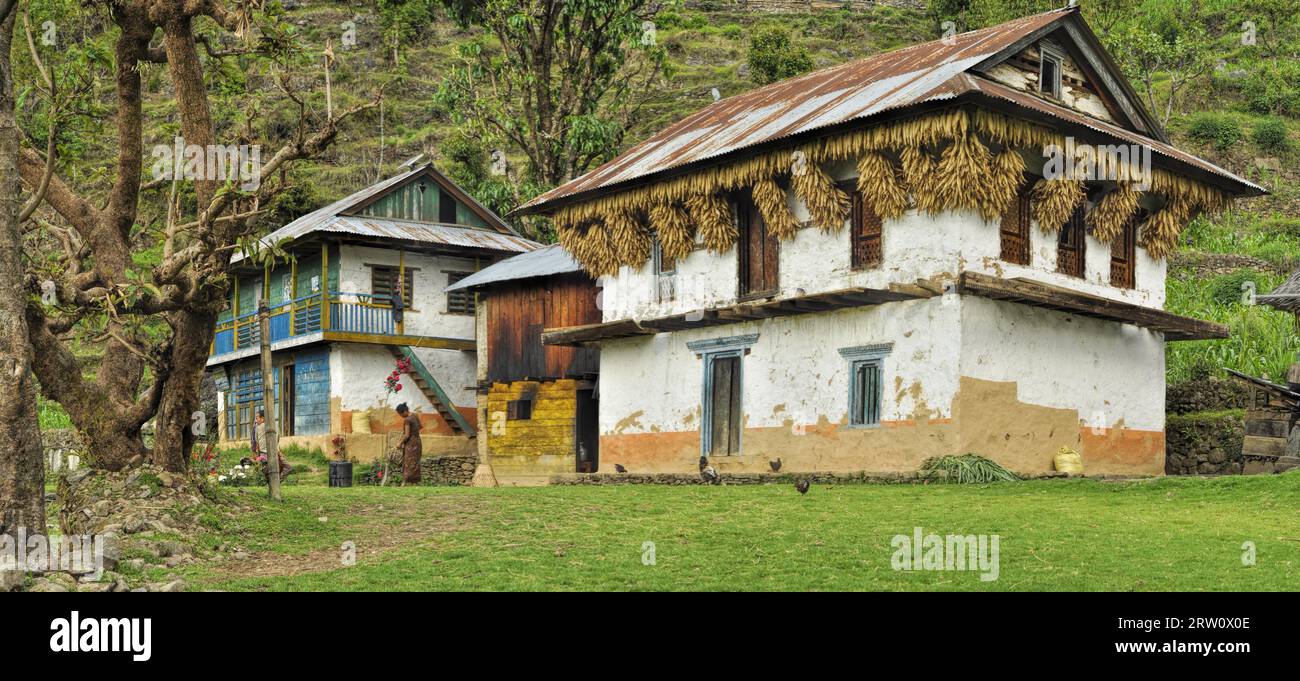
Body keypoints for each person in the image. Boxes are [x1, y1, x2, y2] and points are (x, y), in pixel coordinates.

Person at [251, 409, 292, 482]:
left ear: (263, 418)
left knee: (267, 472)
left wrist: (257, 453)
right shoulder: (274, 425)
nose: (256, 420)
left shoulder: (257, 428)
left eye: (257, 418)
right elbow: (277, 439)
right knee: (288, 467)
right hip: (273, 453)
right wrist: (278, 452)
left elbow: (256, 441)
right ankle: (277, 481)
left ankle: (273, 482)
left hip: (263, 454)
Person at [396, 402, 422, 485]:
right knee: (415, 462)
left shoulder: (407, 420)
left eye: (401, 414)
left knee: (408, 462)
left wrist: (399, 443)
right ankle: (414, 482)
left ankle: (405, 482)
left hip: (410, 443)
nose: (401, 416)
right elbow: (420, 427)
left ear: (404, 411)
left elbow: (407, 435)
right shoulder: (415, 416)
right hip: (418, 441)